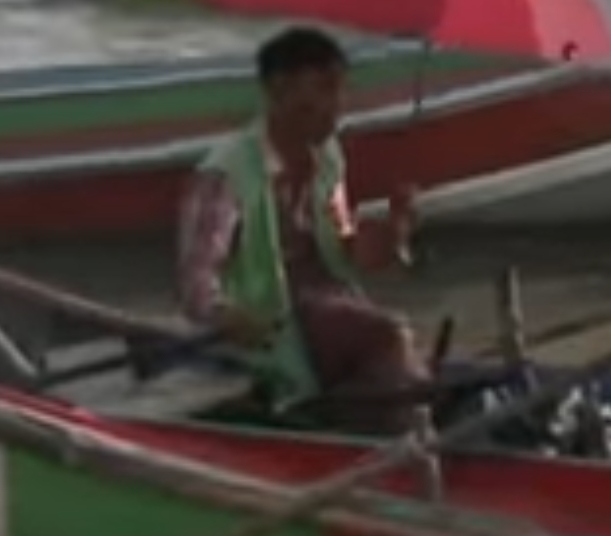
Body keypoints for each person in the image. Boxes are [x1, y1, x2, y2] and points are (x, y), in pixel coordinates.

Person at [175, 25, 426, 434]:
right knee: (388, 333)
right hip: (274, 322)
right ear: (280, 90)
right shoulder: (227, 172)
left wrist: (394, 229)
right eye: (325, 89)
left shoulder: (328, 157)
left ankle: (384, 419)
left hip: (330, 307)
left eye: (339, 90)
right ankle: (403, 436)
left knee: (395, 341)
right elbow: (196, 280)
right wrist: (226, 315)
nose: (337, 105)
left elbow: (345, 248)